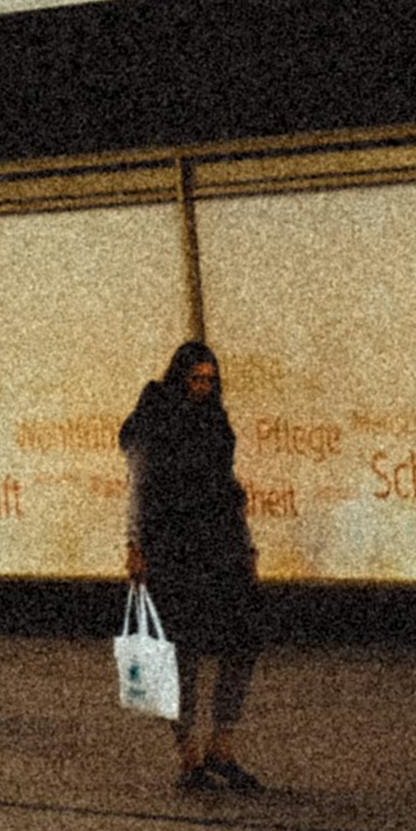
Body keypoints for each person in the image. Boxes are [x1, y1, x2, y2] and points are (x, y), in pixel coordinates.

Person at [122, 330, 267, 803]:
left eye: (211, 379)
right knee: (182, 653)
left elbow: (228, 486)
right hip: (174, 546)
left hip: (220, 542)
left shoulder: (215, 421)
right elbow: (140, 488)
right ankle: (188, 753)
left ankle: (221, 744)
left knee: (240, 642)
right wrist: (135, 545)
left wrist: (246, 544)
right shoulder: (156, 422)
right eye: (197, 378)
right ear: (180, 378)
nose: (204, 386)